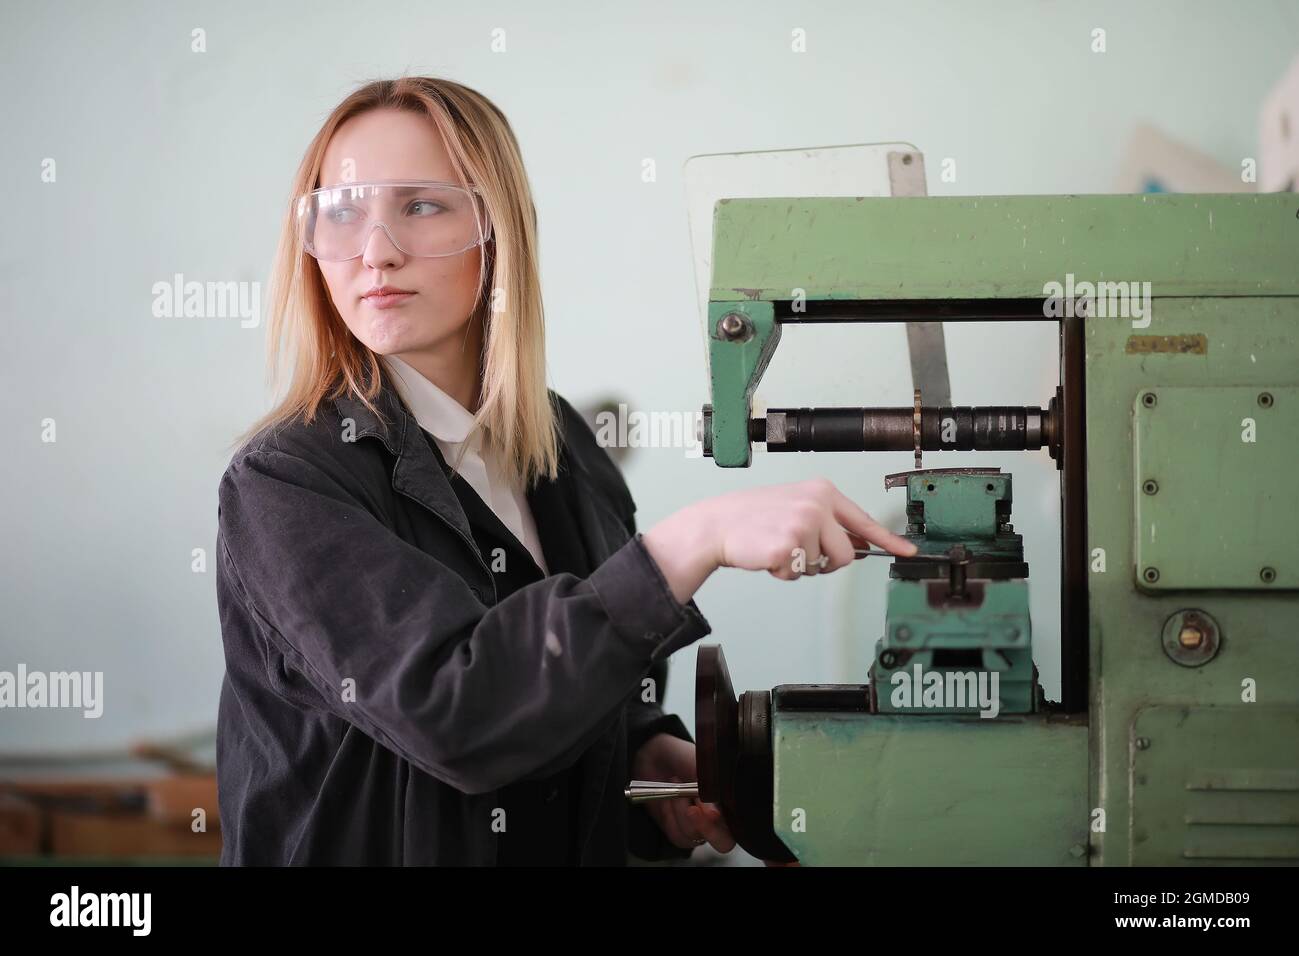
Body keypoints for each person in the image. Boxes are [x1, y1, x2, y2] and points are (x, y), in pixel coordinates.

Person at [214, 76, 917, 866]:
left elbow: (569, 694)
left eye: (419, 206)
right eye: (341, 212)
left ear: (498, 229)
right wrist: (695, 540)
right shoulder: (284, 483)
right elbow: (460, 712)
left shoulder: (558, 443)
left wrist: (644, 760)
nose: (375, 251)